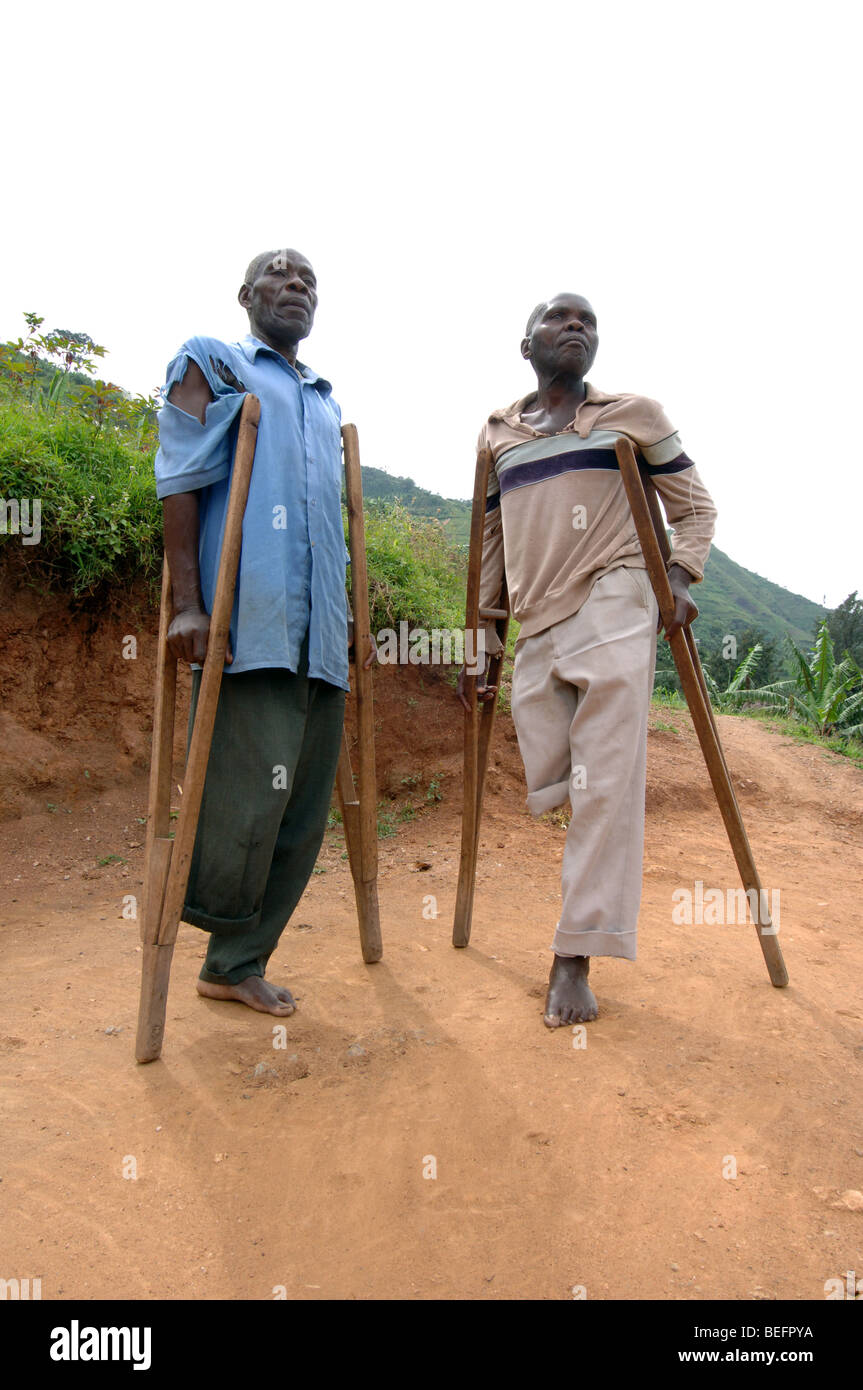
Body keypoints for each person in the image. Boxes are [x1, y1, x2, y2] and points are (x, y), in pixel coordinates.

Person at [459, 293, 717, 1028]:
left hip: (617, 594)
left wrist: (680, 578)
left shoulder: (633, 415)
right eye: (558, 318)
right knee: (553, 778)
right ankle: (581, 877)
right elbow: (490, 552)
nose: (575, 327)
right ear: (526, 345)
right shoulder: (497, 434)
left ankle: (574, 955)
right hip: (536, 617)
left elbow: (693, 507)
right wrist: (484, 644)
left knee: (605, 782)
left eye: (587, 321)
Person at [155, 247, 366, 1019]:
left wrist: (351, 622)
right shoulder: (213, 361)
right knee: (244, 806)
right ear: (245, 295)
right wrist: (187, 602)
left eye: (307, 279)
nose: (294, 287)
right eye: (278, 276)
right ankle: (218, 947)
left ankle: (236, 963)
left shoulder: (320, 398)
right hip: (252, 630)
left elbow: (331, 527)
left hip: (321, 641)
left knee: (301, 816)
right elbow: (179, 474)